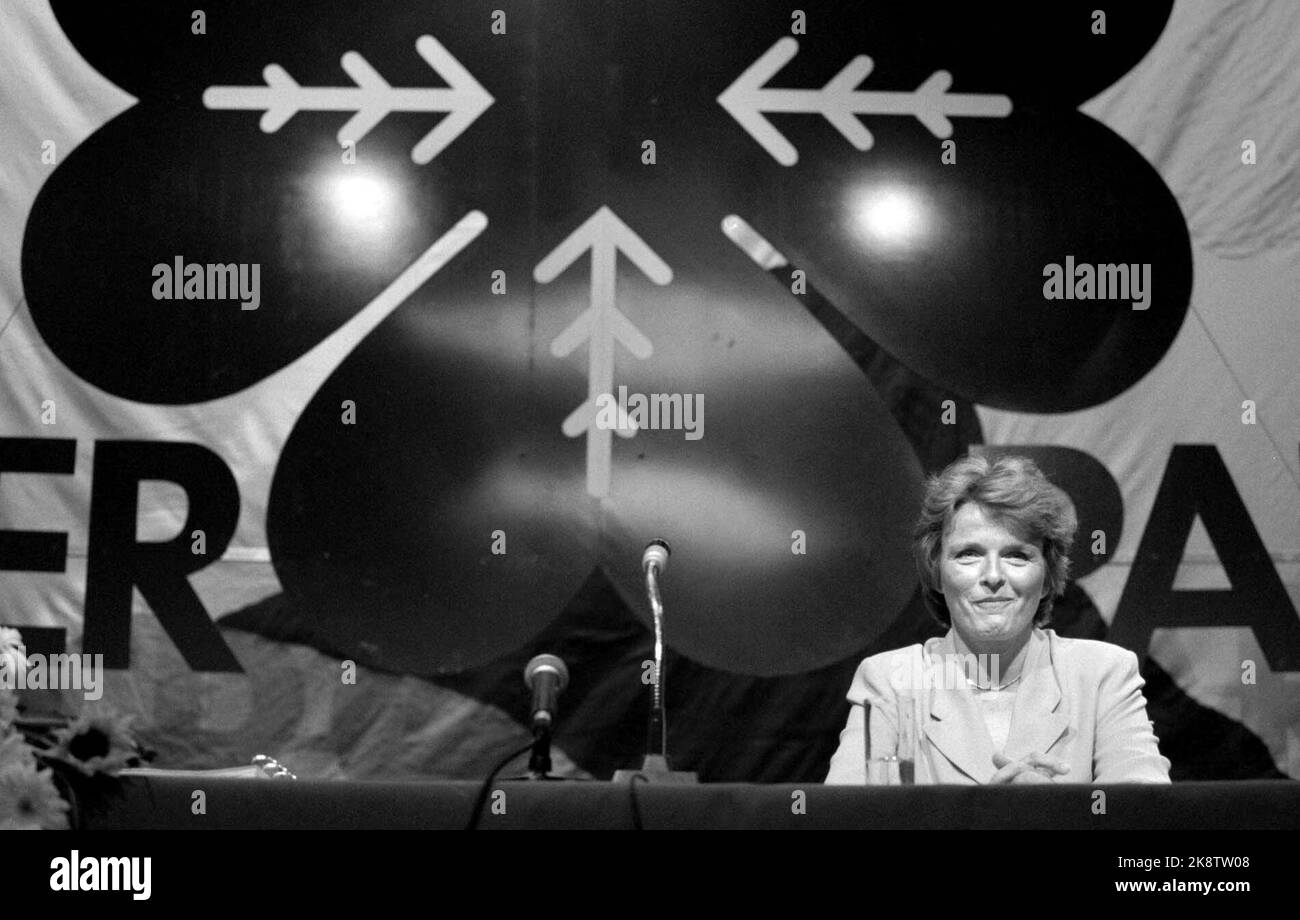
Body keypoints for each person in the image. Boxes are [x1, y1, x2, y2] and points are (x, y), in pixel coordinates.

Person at [825, 452, 1171, 784]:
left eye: (1017, 555)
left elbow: (1147, 819)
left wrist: (1057, 813)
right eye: (969, 554)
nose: (993, 575)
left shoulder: (1103, 675)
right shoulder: (891, 682)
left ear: (1048, 575)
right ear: (936, 572)